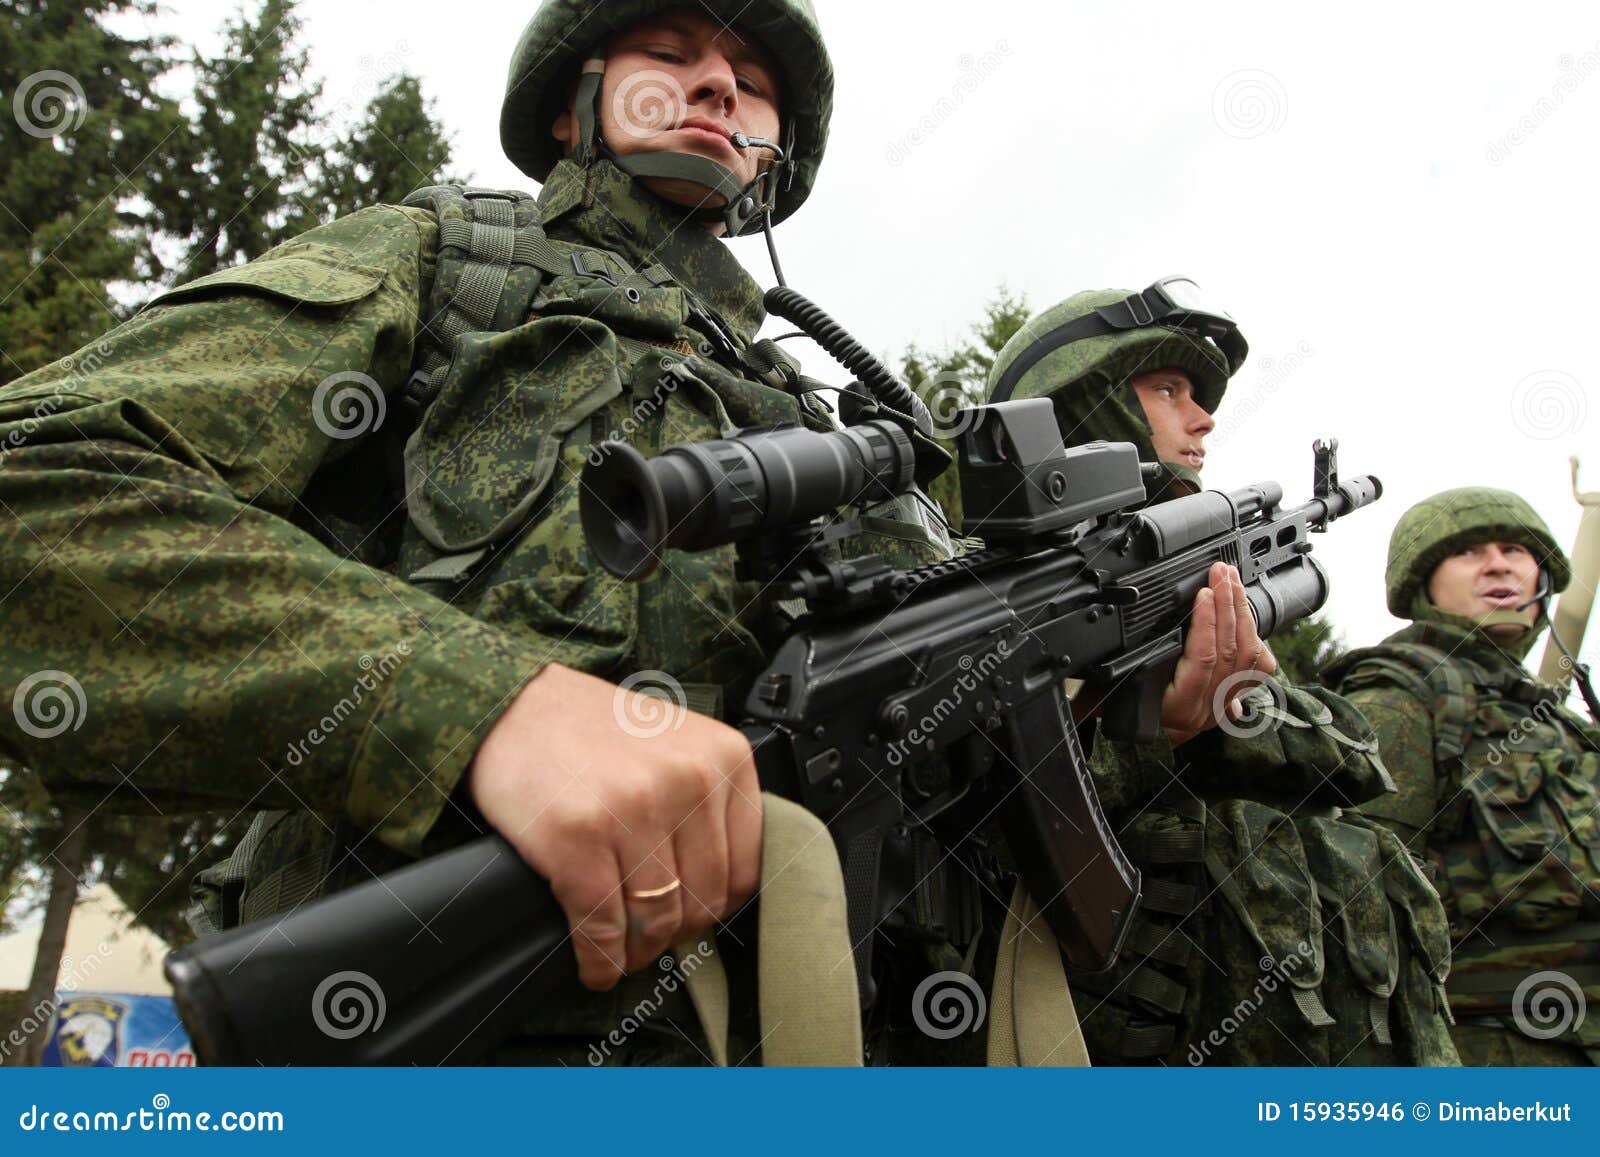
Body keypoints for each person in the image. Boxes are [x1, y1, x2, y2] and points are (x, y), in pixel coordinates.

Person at [985, 281, 1459, 1065]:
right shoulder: (981, 595)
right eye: (1168, 389)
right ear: (1084, 400)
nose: (1203, 417)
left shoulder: (1187, 593)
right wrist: (1151, 732)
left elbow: (1350, 753)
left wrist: (1213, 714)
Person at [1327, 488, 1600, 1065]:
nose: (1499, 564)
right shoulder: (1400, 696)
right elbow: (1353, 906)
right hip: (1490, 1055)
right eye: (1470, 552)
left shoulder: (1565, 726)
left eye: (1514, 550)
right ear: (1423, 583)